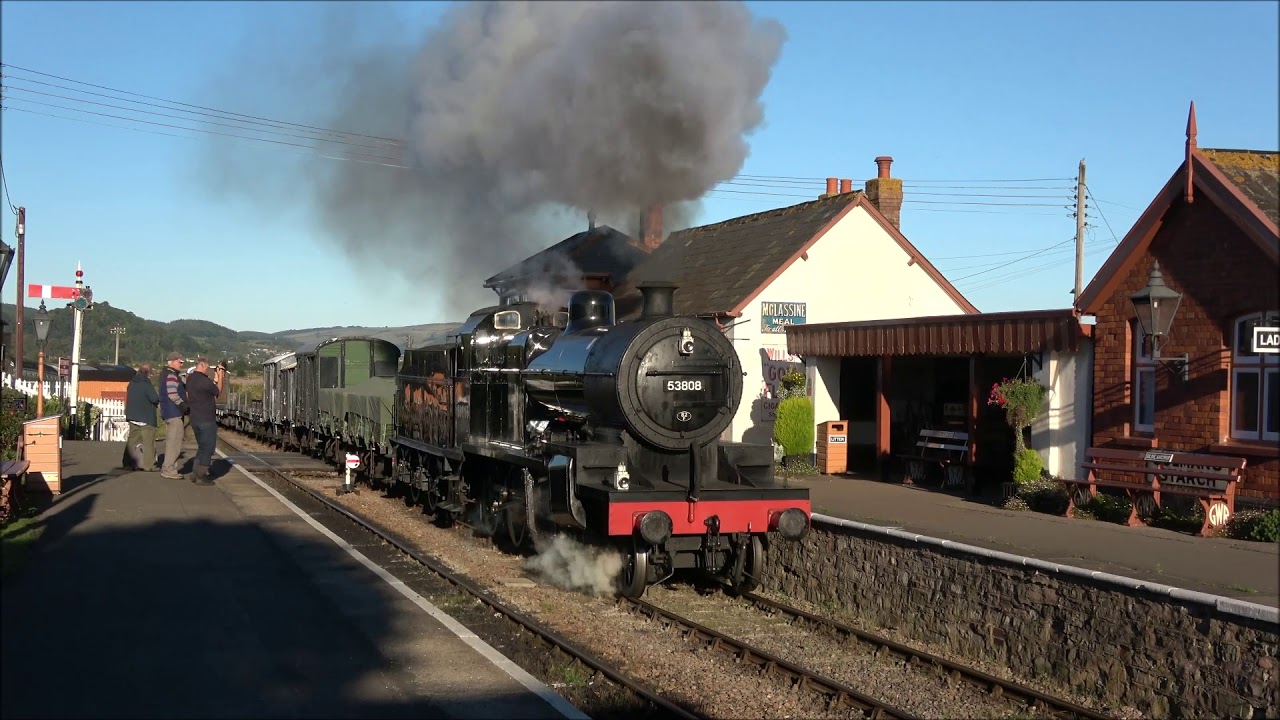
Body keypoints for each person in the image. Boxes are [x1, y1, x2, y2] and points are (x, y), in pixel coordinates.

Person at [184, 356, 225, 485]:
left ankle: (195, 473)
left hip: (195, 418)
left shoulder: (190, 379)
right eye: (207, 368)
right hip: (206, 419)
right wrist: (220, 376)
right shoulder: (204, 381)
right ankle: (201, 475)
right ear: (202, 366)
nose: (208, 370)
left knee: (201, 447)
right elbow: (218, 390)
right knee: (208, 448)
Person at [158, 352, 189, 479]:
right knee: (174, 442)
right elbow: (172, 394)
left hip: (168, 412)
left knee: (172, 442)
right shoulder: (171, 375)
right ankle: (169, 469)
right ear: (172, 362)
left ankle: (168, 467)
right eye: (179, 361)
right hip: (174, 412)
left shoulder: (166, 374)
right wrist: (182, 405)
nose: (182, 364)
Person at [123, 363, 160, 471]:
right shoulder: (146, 384)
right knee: (148, 442)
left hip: (133, 416)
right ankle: (149, 465)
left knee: (131, 441)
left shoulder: (132, 383)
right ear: (149, 373)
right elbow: (154, 398)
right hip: (146, 417)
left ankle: (127, 463)